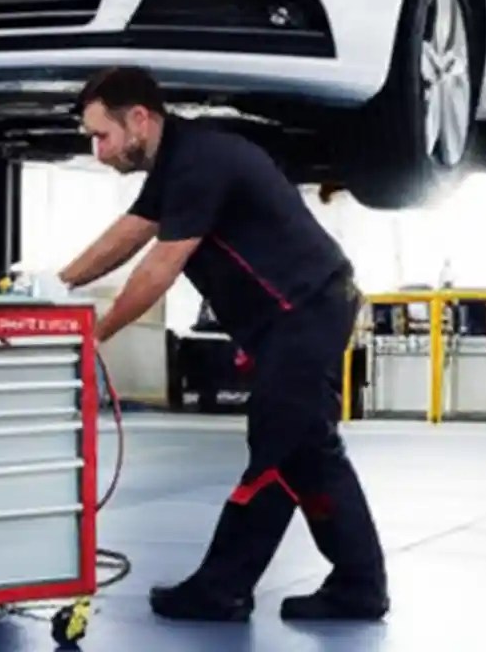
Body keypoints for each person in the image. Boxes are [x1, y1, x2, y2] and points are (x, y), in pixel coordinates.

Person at [58, 66, 390, 622]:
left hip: (303, 313)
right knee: (311, 453)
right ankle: (359, 584)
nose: (98, 151)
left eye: (102, 135)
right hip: (299, 314)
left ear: (139, 119)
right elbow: (130, 231)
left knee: (277, 447)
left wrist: (93, 334)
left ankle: (223, 588)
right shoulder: (178, 158)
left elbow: (161, 265)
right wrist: (55, 284)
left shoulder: (200, 162)